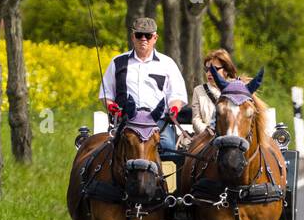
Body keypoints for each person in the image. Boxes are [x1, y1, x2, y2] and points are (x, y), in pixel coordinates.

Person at [98, 17, 188, 150]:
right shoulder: (117, 62)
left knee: (169, 149)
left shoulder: (167, 64)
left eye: (148, 36)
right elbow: (106, 94)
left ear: (155, 38)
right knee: (110, 150)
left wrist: (174, 108)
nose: (143, 39)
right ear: (133, 37)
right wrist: (112, 107)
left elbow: (177, 95)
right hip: (126, 120)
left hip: (157, 122)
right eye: (139, 35)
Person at [191, 48, 238, 138]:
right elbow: (196, 120)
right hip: (206, 139)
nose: (209, 73)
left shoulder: (237, 89)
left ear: (226, 70)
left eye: (214, 69)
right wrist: (209, 133)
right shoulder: (198, 90)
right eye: (207, 69)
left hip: (232, 138)